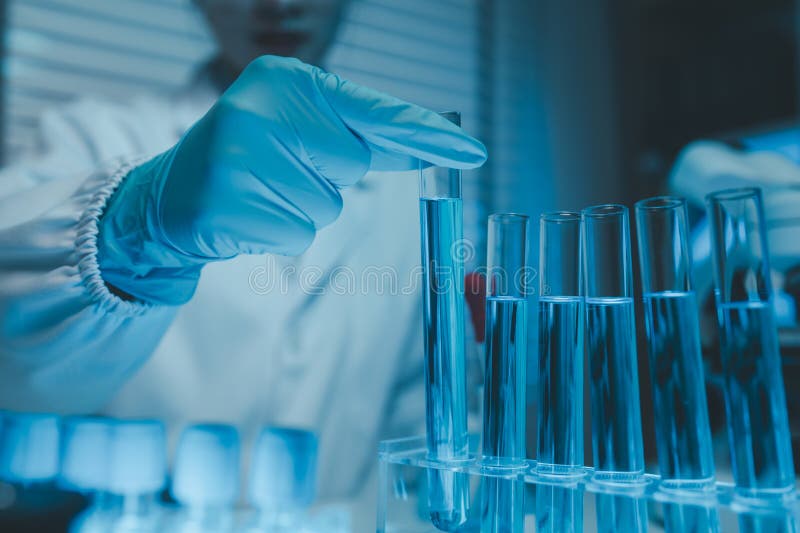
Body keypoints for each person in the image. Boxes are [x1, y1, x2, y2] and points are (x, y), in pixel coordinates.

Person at [0, 0, 487, 509]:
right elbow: (10, 359)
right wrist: (134, 218)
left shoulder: (404, 194)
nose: (279, 5)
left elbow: (427, 420)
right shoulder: (92, 137)